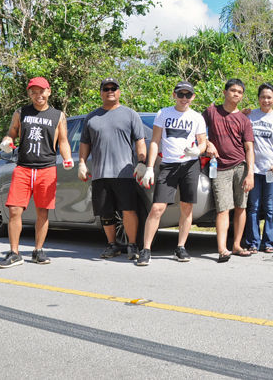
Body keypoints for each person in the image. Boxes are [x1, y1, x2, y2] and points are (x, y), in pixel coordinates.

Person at [0, 77, 73, 268]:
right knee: (14, 210)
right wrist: (6, 141)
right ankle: (14, 253)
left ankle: (38, 250)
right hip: (23, 168)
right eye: (34, 92)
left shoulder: (58, 115)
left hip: (46, 169)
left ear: (49, 91)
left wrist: (67, 158)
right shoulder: (21, 112)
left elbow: (62, 141)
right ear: (29, 94)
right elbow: (12, 133)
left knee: (43, 212)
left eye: (41, 91)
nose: (38, 95)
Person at [137, 81, 206, 266]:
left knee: (187, 207)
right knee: (157, 208)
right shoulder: (163, 113)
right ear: (174, 95)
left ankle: (181, 247)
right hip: (168, 165)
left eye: (188, 95)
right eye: (181, 94)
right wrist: (150, 167)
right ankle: (146, 249)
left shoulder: (197, 117)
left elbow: (203, 142)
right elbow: (155, 141)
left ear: (193, 97)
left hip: (189, 165)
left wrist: (197, 151)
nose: (184, 98)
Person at [78, 78, 147, 260]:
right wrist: (82, 163)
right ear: (101, 92)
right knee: (105, 212)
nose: (110, 91)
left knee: (128, 210)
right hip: (100, 174)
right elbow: (85, 143)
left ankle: (132, 245)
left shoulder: (130, 114)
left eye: (113, 88)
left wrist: (141, 162)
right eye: (106, 88)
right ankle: (112, 245)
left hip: (124, 173)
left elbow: (140, 141)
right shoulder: (91, 117)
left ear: (119, 92)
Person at [203, 79, 255, 262]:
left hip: (240, 166)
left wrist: (250, 174)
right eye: (233, 90)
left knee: (241, 207)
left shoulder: (244, 120)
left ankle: (237, 245)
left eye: (240, 92)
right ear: (225, 92)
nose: (236, 94)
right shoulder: (211, 112)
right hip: (220, 167)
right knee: (223, 209)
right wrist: (208, 143)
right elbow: (198, 132)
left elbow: (249, 149)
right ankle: (222, 249)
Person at [244, 83, 273, 253]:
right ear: (258, 98)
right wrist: (242, 113)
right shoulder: (250, 116)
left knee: (270, 207)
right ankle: (253, 242)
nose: (266, 100)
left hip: (272, 171)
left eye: (269, 97)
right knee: (253, 207)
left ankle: (269, 242)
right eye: (263, 97)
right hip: (253, 169)